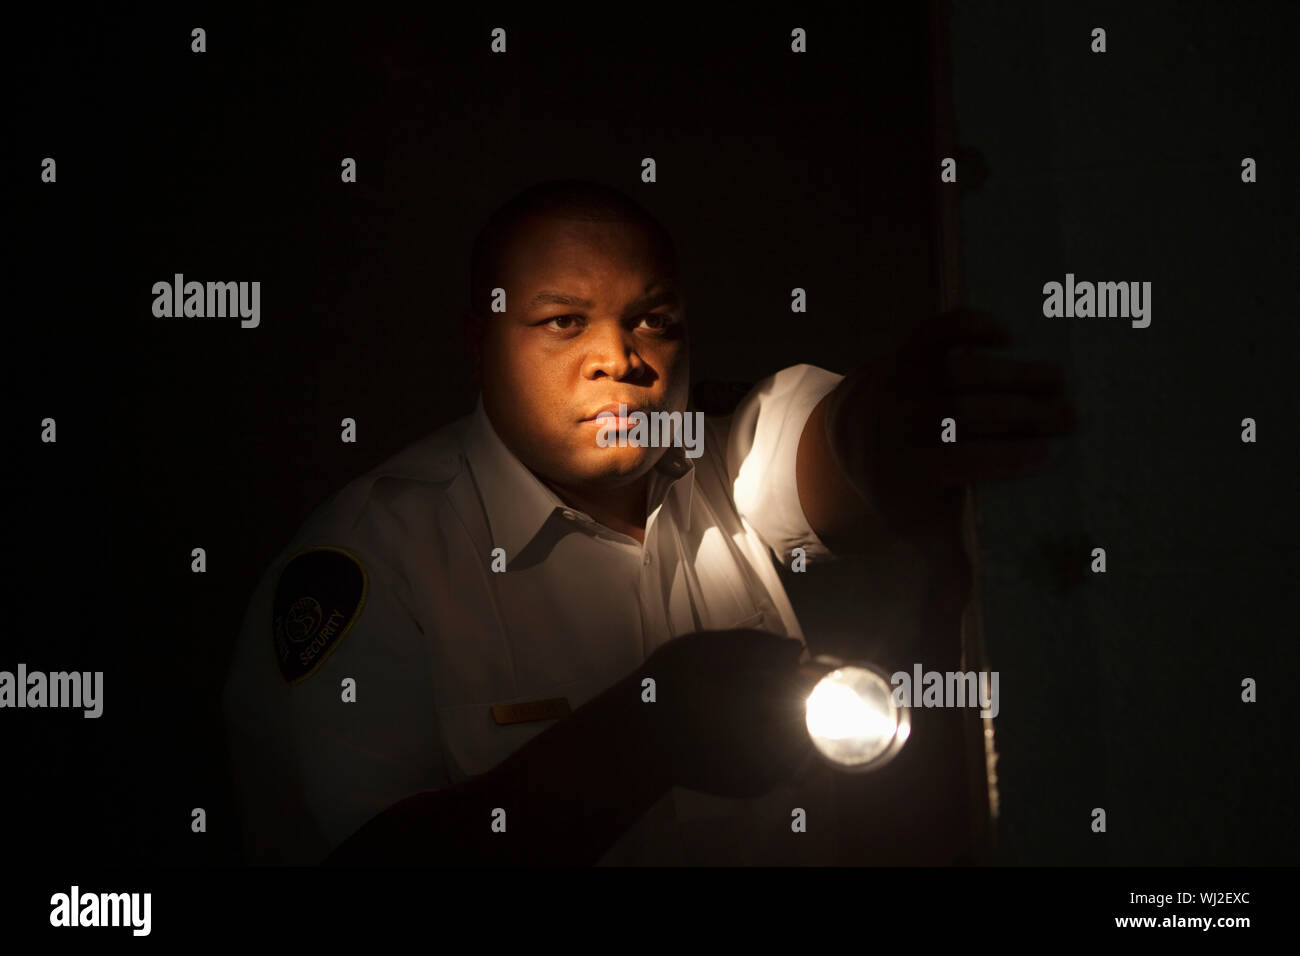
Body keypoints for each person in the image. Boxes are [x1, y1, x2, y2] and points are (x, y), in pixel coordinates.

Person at [221, 178, 1077, 865]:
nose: (621, 359)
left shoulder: (715, 458)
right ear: (479, 347)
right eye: (564, 323)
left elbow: (827, 443)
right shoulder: (377, 554)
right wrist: (640, 741)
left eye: (653, 322)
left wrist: (904, 419)